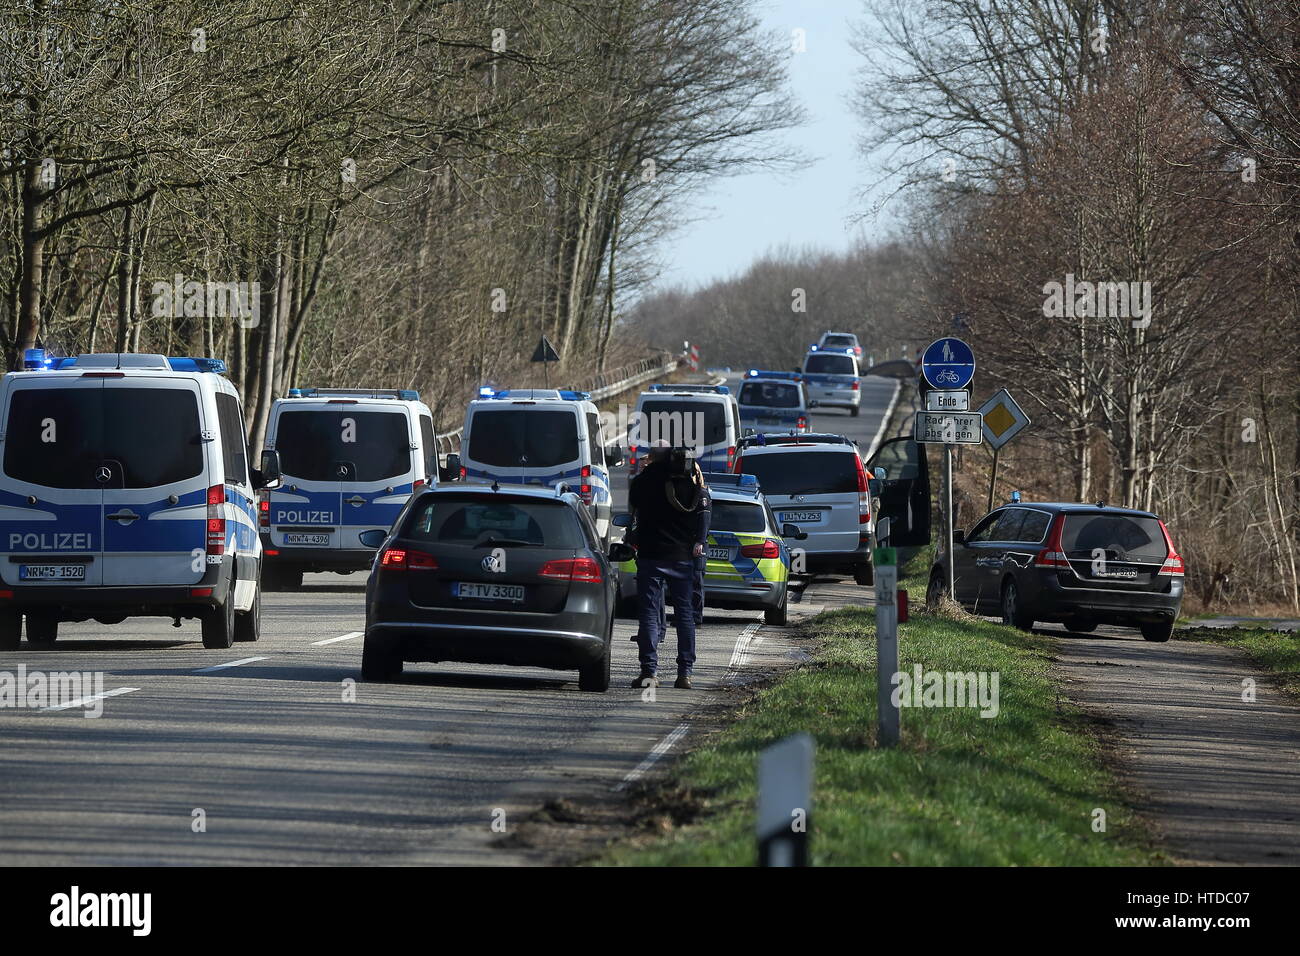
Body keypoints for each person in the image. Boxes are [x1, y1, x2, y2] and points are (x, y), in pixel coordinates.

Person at [627, 443, 710, 689]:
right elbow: (702, 516)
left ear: (654, 459)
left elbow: (634, 513)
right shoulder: (692, 487)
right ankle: (685, 672)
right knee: (685, 616)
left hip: (651, 556)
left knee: (650, 615)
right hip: (682, 558)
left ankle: (649, 671)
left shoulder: (643, 482)